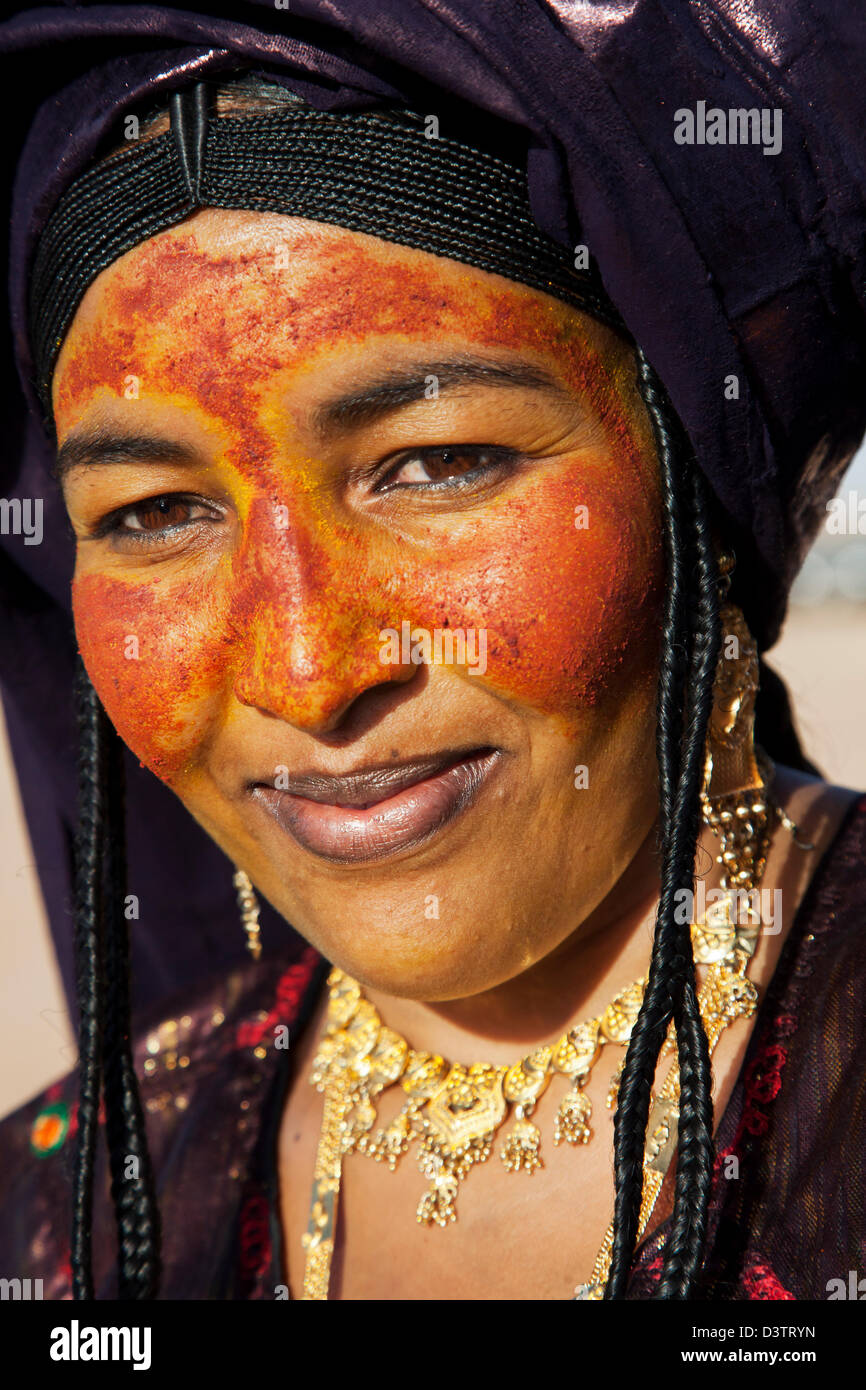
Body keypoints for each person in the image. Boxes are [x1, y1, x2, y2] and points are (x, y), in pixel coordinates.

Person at [1, 3, 865, 1303]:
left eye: (438, 462)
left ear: (695, 473)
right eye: (153, 513)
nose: (304, 668)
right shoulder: (65, 1209)